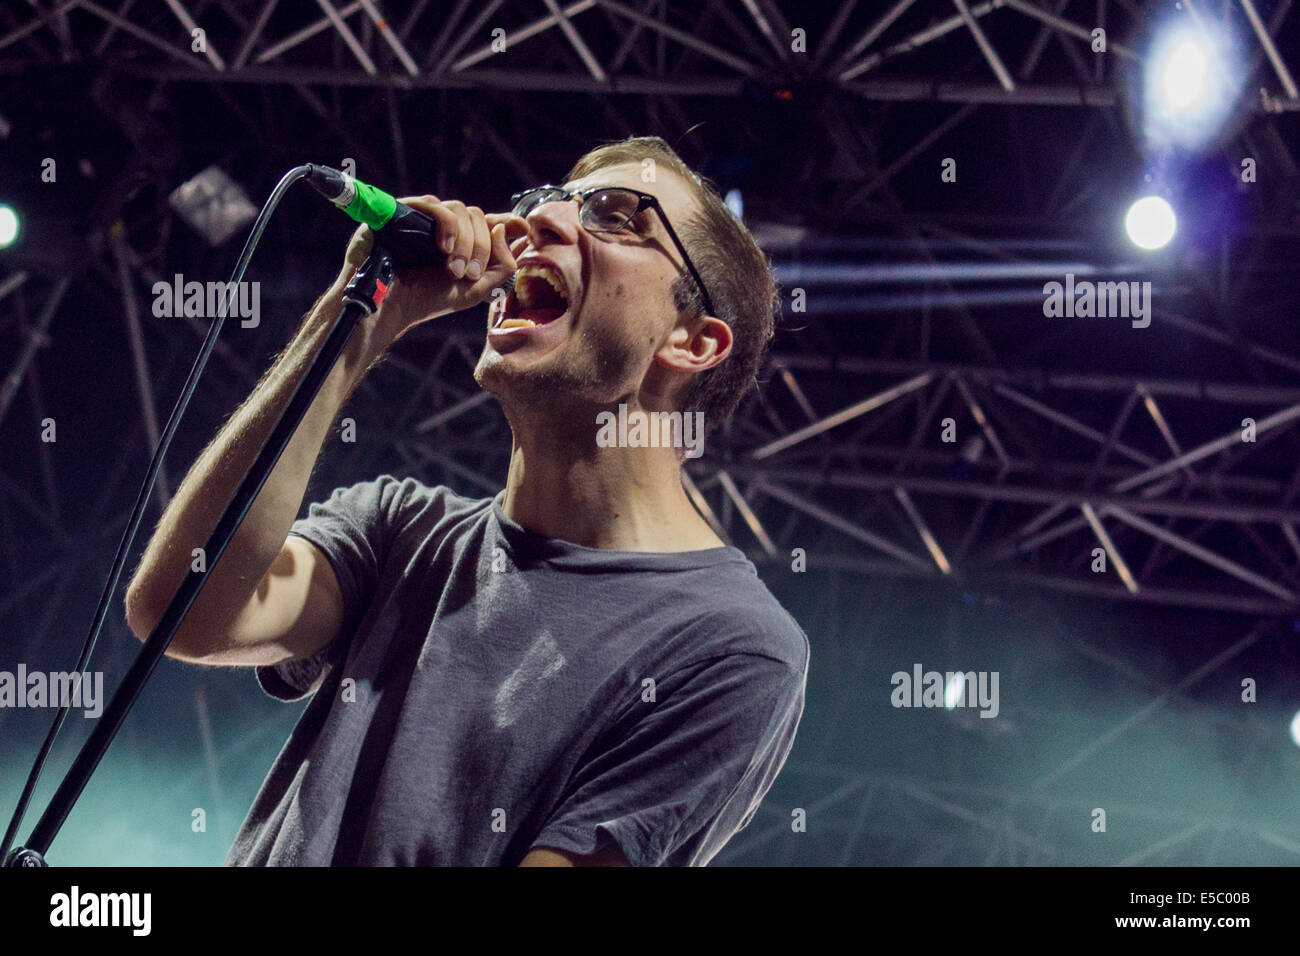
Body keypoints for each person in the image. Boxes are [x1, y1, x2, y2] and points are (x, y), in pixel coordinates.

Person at [125, 136, 809, 866]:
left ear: (694, 341)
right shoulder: (401, 529)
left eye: (615, 216)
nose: (542, 221)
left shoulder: (732, 647)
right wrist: (358, 319)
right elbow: (181, 613)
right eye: (546, 203)